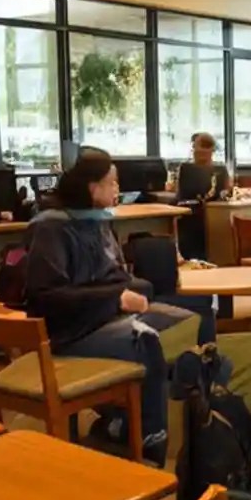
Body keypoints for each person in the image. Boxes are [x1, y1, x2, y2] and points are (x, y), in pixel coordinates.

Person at [24, 147, 199, 462]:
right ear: (93, 188)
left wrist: (126, 292)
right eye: (112, 182)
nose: (118, 189)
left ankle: (194, 420)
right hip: (71, 331)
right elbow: (46, 297)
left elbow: (113, 275)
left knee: (195, 318)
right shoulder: (51, 226)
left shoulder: (98, 220)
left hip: (106, 317)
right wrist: (116, 296)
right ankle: (148, 437)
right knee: (146, 339)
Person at [176, 132, 231, 203]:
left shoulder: (185, 168)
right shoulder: (221, 169)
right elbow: (226, 193)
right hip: (216, 209)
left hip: (190, 208)